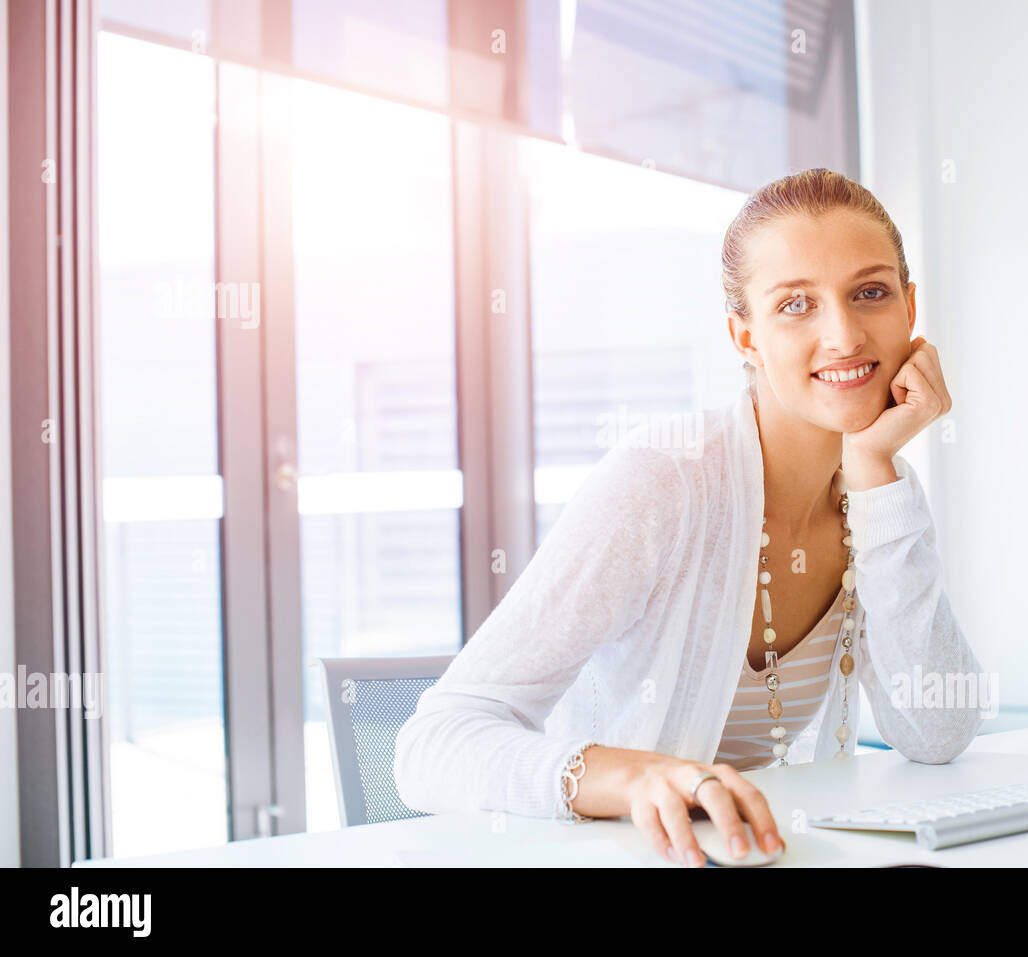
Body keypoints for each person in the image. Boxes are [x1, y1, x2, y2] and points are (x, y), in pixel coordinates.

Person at [393, 167, 984, 868]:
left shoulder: (877, 489)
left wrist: (877, 472)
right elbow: (431, 744)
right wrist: (639, 774)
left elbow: (938, 728)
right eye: (796, 304)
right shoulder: (663, 482)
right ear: (745, 336)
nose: (845, 334)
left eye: (870, 293)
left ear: (909, 310)